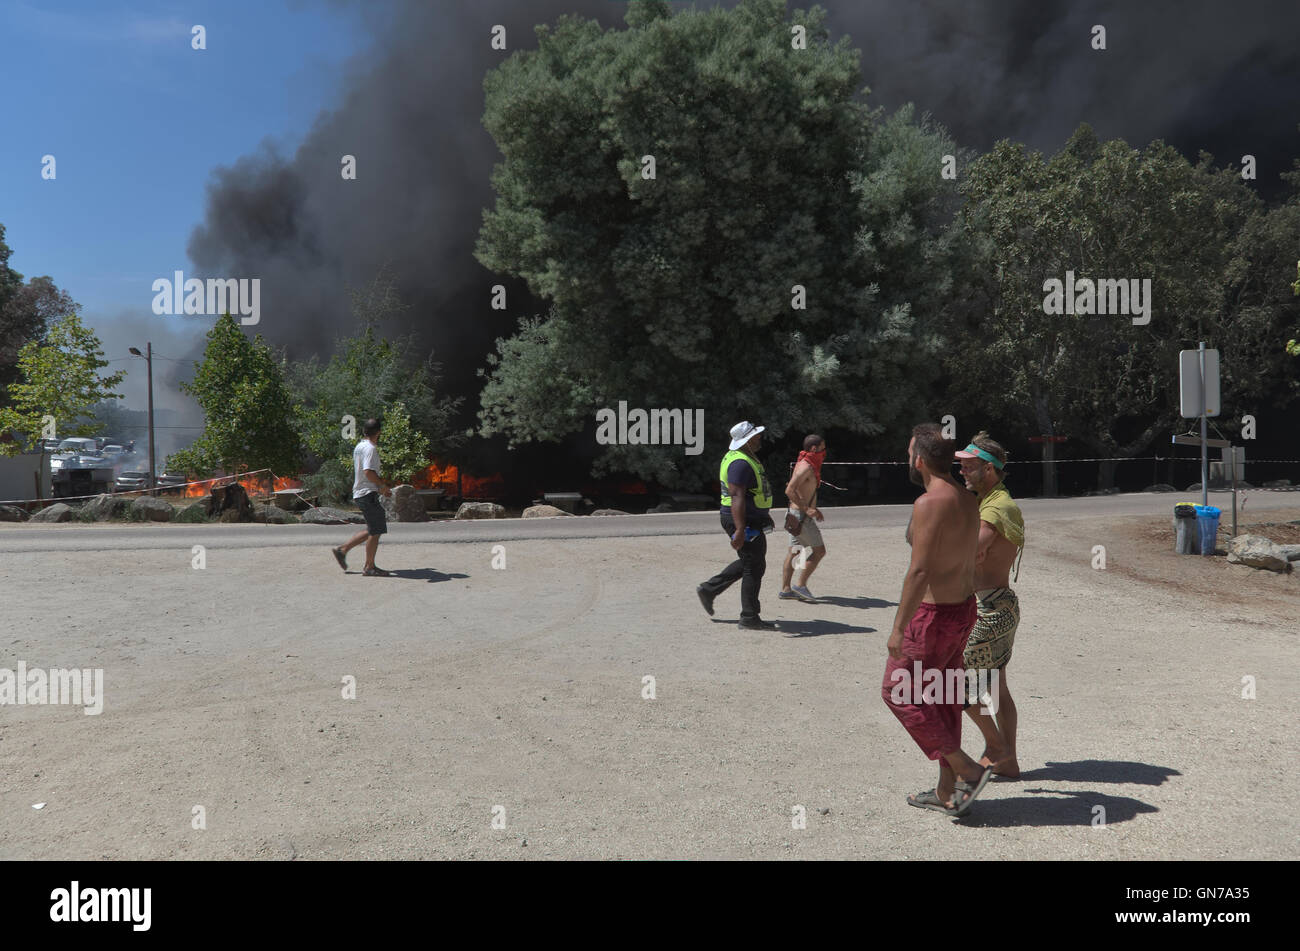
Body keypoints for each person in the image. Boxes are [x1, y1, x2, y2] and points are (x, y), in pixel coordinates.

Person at [881, 423, 993, 816]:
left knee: (898, 691)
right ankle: (947, 791)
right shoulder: (966, 499)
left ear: (920, 460)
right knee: (942, 696)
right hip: (962, 610)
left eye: (910, 452)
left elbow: (919, 571)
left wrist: (898, 628)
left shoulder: (930, 504)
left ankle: (965, 768)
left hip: (931, 616)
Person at [956, 432, 1025, 779]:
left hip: (989, 609)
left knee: (950, 681)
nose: (962, 472)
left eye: (969, 467)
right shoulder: (994, 501)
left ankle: (996, 748)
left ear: (989, 469)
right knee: (996, 686)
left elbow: (973, 551)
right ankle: (1008, 759)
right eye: (962, 466)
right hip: (998, 605)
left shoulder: (995, 508)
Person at [697, 421, 779, 630]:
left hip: (750, 518)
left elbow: (751, 494)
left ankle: (710, 589)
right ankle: (749, 617)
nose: (759, 438)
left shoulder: (745, 458)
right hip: (742, 520)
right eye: (755, 436)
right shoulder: (740, 463)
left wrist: (763, 516)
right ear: (747, 440)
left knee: (751, 562)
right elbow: (737, 496)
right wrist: (741, 529)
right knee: (754, 565)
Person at [331, 418, 393, 577]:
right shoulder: (370, 448)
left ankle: (342, 550)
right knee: (376, 529)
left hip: (361, 492)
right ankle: (369, 567)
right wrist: (382, 486)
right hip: (367, 493)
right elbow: (368, 472)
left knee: (374, 527)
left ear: (364, 431)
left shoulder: (359, 446)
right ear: (378, 432)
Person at [779, 434, 828, 603]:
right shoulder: (806, 466)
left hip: (797, 515)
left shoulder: (807, 464)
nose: (824, 450)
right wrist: (807, 509)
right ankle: (800, 585)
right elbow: (789, 490)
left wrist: (813, 508)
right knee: (820, 551)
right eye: (823, 447)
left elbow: (800, 490)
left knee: (795, 551)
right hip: (800, 517)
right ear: (814, 449)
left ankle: (786, 589)